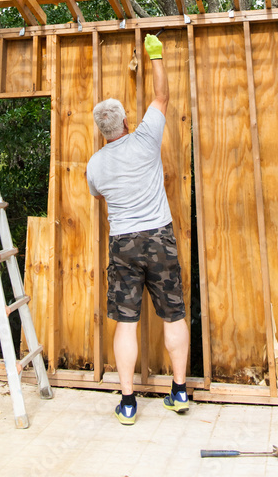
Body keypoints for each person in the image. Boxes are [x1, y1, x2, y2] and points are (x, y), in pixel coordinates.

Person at [86, 33, 190, 425]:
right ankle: (178, 393)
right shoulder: (146, 138)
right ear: (126, 122)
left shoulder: (95, 165)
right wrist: (156, 57)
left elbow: (100, 198)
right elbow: (161, 97)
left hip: (123, 245)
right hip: (159, 238)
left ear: (102, 131)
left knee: (125, 322)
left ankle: (128, 402)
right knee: (173, 315)